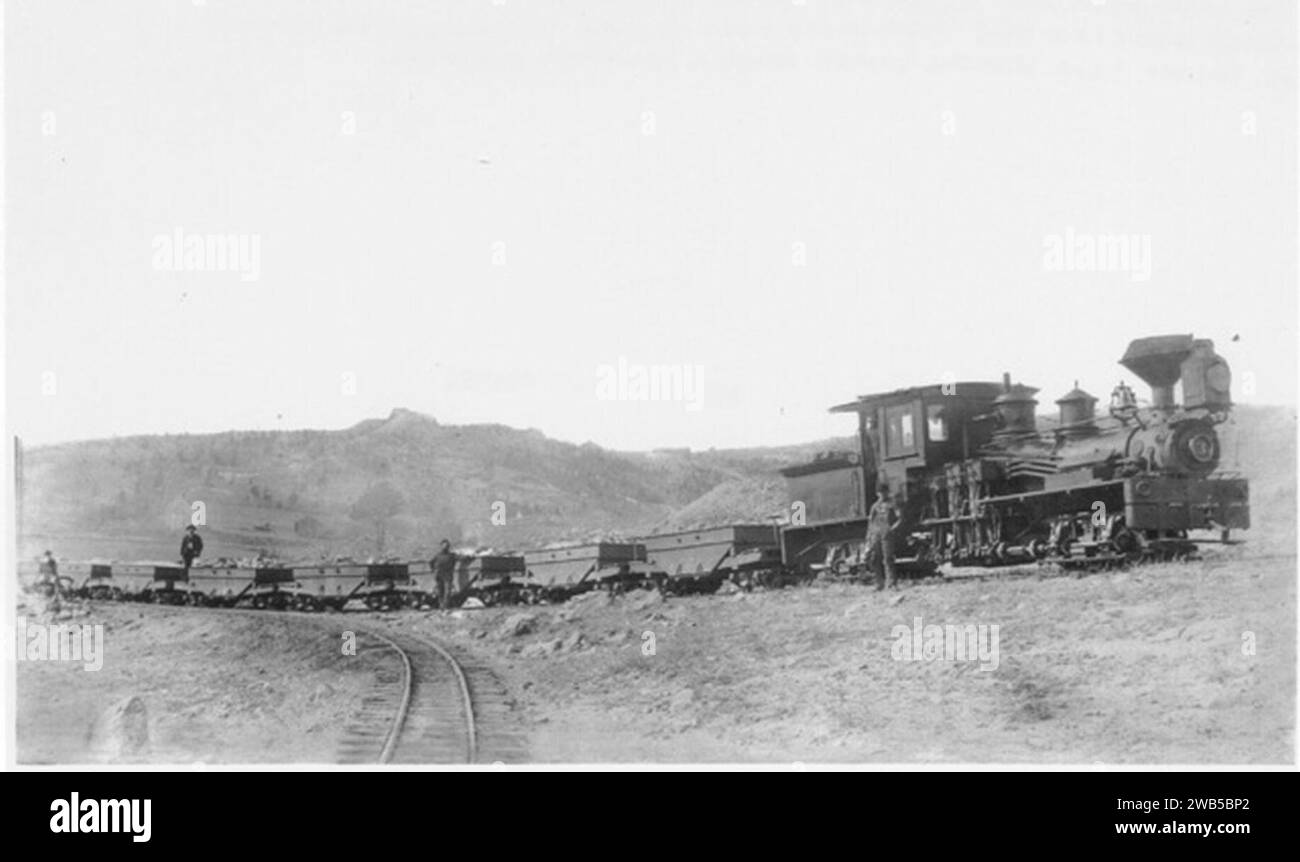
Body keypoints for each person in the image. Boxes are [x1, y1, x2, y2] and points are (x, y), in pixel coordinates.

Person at [865, 480, 900, 591]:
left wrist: (892, 529)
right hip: (876, 534)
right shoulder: (874, 506)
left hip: (886, 534)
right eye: (880, 493)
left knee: (888, 559)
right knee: (875, 559)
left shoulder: (892, 504)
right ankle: (879, 583)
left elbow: (900, 518)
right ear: (877, 493)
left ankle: (892, 583)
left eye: (884, 492)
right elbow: (870, 521)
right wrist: (869, 536)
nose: (882, 495)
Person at [430, 539, 458, 611]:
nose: (445, 547)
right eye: (444, 545)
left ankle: (445, 606)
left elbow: (460, 558)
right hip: (439, 576)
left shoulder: (451, 555)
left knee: (447, 592)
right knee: (440, 592)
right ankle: (441, 606)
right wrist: (433, 571)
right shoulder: (437, 555)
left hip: (448, 576)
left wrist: (470, 556)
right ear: (441, 546)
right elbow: (431, 562)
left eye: (447, 546)